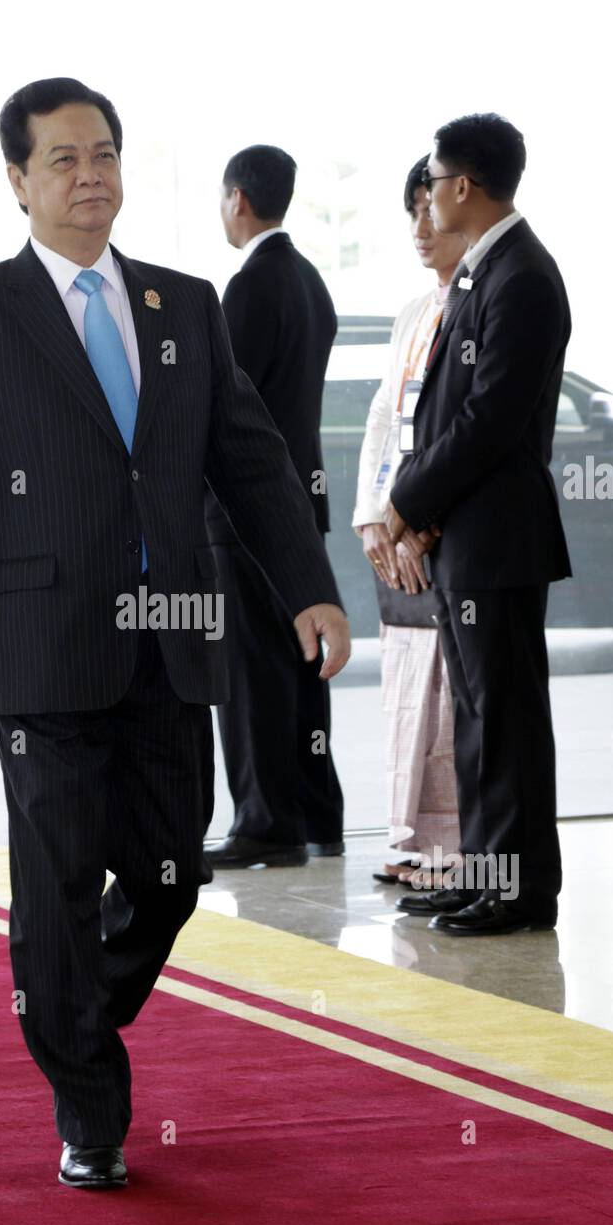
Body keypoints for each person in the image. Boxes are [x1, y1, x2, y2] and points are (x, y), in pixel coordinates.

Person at [0, 77, 350, 1189]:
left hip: (171, 639)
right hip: (42, 648)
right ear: (17, 181)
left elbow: (249, 461)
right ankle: (90, 1111)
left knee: (171, 871)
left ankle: (66, 990)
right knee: (52, 883)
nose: (89, 175)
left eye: (103, 154)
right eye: (61, 160)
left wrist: (307, 588)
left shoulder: (184, 307)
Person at [387, 113, 572, 936]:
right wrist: (424, 510)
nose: (424, 198)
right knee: (479, 717)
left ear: (463, 186)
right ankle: (484, 871)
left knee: (505, 720)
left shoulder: (522, 275)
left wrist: (408, 500)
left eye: (430, 182)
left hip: (499, 535)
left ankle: (520, 890)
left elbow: (491, 421)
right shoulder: (481, 274)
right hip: (468, 532)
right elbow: (446, 410)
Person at [205, 146, 344, 871]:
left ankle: (265, 823)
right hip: (301, 507)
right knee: (302, 666)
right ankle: (316, 815)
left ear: (237, 199)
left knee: (253, 671)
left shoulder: (250, 286)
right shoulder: (309, 281)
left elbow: (225, 410)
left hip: (250, 518)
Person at [353, 156, 464, 899]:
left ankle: (453, 852)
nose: (421, 228)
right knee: (404, 698)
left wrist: (419, 525)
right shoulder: (414, 313)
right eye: (411, 213)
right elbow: (384, 419)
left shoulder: (477, 306)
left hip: (445, 537)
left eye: (431, 209)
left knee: (451, 708)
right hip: (398, 537)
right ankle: (407, 842)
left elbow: (472, 434)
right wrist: (372, 520)